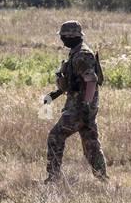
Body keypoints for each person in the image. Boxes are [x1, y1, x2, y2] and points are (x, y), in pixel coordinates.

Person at [44, 20, 108, 183]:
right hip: (84, 106)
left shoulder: (82, 55)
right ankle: (102, 179)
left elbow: (91, 81)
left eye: (64, 37)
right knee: (91, 143)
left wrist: (85, 105)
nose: (63, 40)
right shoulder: (77, 52)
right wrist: (55, 94)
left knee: (55, 137)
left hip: (79, 107)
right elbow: (75, 82)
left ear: (68, 36)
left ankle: (53, 178)